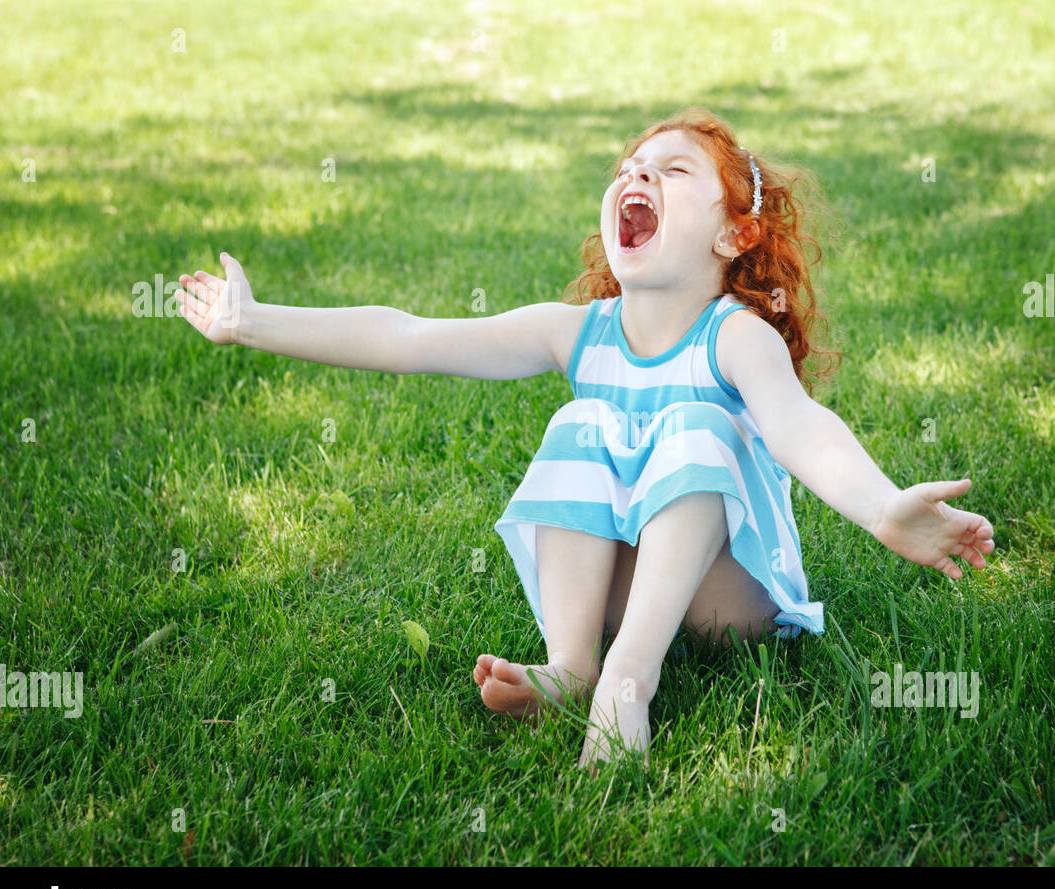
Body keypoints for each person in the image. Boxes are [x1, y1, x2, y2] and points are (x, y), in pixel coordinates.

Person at [174, 107, 994, 772]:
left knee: (695, 424)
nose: (640, 177)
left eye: (673, 172)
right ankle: (573, 665)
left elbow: (801, 429)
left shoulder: (735, 337)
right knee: (581, 420)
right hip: (618, 580)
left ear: (732, 236)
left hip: (725, 598)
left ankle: (628, 679)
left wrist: (882, 506)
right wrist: (253, 322)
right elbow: (410, 336)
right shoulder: (580, 334)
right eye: (632, 169)